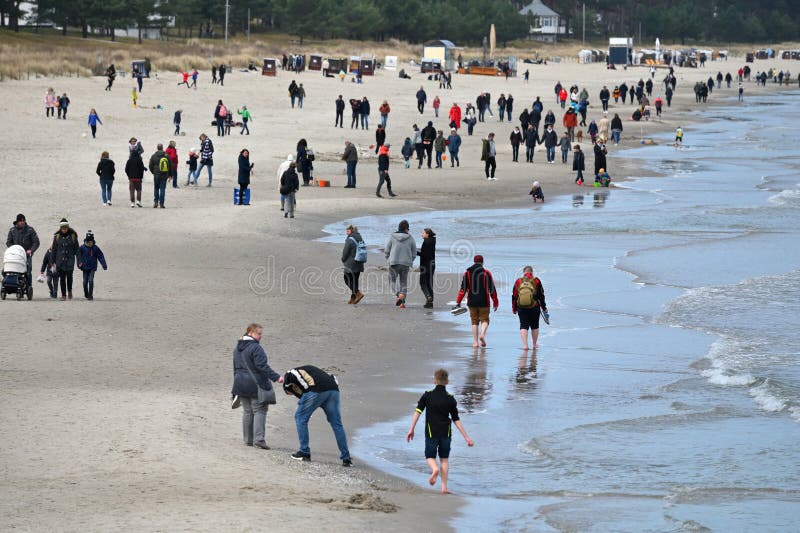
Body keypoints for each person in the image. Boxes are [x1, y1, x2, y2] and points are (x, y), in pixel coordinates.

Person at [406, 368, 474, 494]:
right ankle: (444, 487)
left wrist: (411, 429)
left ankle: (434, 469)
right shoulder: (450, 398)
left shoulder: (427, 395)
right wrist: (466, 437)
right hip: (445, 432)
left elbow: (418, 412)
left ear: (434, 381)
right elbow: (456, 419)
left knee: (430, 456)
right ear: (447, 382)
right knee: (444, 459)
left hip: (432, 431)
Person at [283, 365, 352, 466]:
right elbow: (333, 379)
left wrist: (304, 401)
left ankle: (304, 452)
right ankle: (346, 459)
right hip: (333, 389)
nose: (292, 394)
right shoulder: (310, 371)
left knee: (300, 417)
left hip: (317, 389)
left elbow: (303, 391)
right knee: (337, 424)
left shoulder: (289, 375)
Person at [231, 324, 283, 449]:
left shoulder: (237, 348)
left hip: (239, 382)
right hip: (255, 383)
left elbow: (235, 368)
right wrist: (277, 377)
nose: (260, 336)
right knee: (260, 410)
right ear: (250, 332)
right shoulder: (256, 348)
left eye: (261, 334)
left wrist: (235, 387)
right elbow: (262, 366)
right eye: (258, 334)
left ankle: (248, 440)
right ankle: (259, 440)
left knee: (248, 411)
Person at [455, 255, 498, 348]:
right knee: (485, 319)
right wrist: (495, 302)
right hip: (484, 301)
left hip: (472, 301)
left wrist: (458, 302)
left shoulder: (467, 273)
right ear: (482, 262)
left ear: (474, 262)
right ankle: (482, 334)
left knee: (474, 321)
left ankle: (475, 342)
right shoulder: (487, 273)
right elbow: (492, 289)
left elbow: (463, 289)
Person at [512, 266, 548, 350]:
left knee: (523, 325)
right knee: (535, 326)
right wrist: (544, 307)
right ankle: (534, 345)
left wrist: (514, 308)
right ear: (532, 272)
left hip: (521, 307)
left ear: (524, 272)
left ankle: (525, 345)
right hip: (534, 307)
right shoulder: (536, 280)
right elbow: (541, 296)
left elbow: (514, 295)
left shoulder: (518, 281)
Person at [384, 219, 416, 308]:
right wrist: (410, 260)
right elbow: (414, 252)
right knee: (403, 282)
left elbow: (387, 250)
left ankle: (398, 295)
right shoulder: (410, 237)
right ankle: (402, 302)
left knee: (392, 280)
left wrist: (389, 259)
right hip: (406, 263)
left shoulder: (392, 236)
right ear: (406, 229)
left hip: (393, 262)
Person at [50, 218, 79, 300]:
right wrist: (52, 261)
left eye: (65, 228)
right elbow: (54, 250)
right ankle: (63, 295)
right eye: (62, 228)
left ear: (68, 227)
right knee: (62, 278)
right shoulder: (57, 236)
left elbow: (77, 249)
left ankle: (69, 291)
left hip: (70, 260)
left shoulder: (73, 236)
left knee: (69, 277)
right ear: (60, 228)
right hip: (60, 261)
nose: (64, 230)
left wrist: (79, 261)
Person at [6, 214, 39, 284]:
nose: (22, 222)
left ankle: (29, 286)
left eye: (24, 220)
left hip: (27, 255)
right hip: (15, 255)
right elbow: (8, 242)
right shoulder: (12, 230)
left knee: (28, 271)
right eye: (21, 221)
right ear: (17, 222)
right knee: (11, 270)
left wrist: (31, 250)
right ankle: (13, 283)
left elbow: (36, 242)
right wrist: (13, 249)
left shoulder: (30, 230)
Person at [77, 231, 107, 300]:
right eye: (88, 241)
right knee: (85, 282)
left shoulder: (95, 248)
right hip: (84, 267)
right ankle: (86, 293)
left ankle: (90, 295)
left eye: (91, 241)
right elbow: (78, 256)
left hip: (92, 268)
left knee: (91, 281)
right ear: (86, 240)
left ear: (93, 241)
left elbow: (101, 256)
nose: (89, 243)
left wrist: (104, 265)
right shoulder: (82, 248)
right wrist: (79, 264)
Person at [341, 225, 366, 304]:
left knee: (346, 278)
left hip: (351, 264)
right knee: (354, 280)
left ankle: (358, 293)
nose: (347, 232)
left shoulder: (350, 239)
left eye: (348, 231)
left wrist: (343, 259)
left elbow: (345, 252)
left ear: (351, 231)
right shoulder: (360, 238)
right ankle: (353, 298)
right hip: (359, 262)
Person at [148, 143, 171, 208]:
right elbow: (170, 165)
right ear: (162, 148)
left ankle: (155, 202)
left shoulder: (154, 156)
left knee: (156, 188)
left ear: (157, 148)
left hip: (156, 175)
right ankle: (161, 203)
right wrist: (170, 174)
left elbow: (150, 165)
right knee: (162, 189)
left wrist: (153, 172)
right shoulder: (166, 156)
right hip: (164, 174)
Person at [418, 228, 436, 308]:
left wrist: (415, 252)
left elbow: (424, 254)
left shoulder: (426, 242)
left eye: (423, 233)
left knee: (422, 283)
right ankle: (430, 302)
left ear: (427, 234)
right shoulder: (433, 240)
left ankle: (428, 297)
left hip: (425, 265)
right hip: (432, 264)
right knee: (429, 283)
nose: (422, 234)